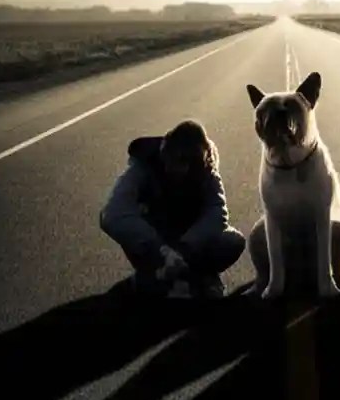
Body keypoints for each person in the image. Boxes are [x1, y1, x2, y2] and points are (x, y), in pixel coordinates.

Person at [100, 120, 245, 298]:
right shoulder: (145, 165)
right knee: (119, 222)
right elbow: (114, 212)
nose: (171, 167)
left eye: (181, 162)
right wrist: (161, 249)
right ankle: (156, 275)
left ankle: (195, 276)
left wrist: (184, 248)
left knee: (232, 241)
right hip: (155, 238)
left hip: (188, 242)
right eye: (170, 159)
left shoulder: (207, 170)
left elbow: (217, 213)